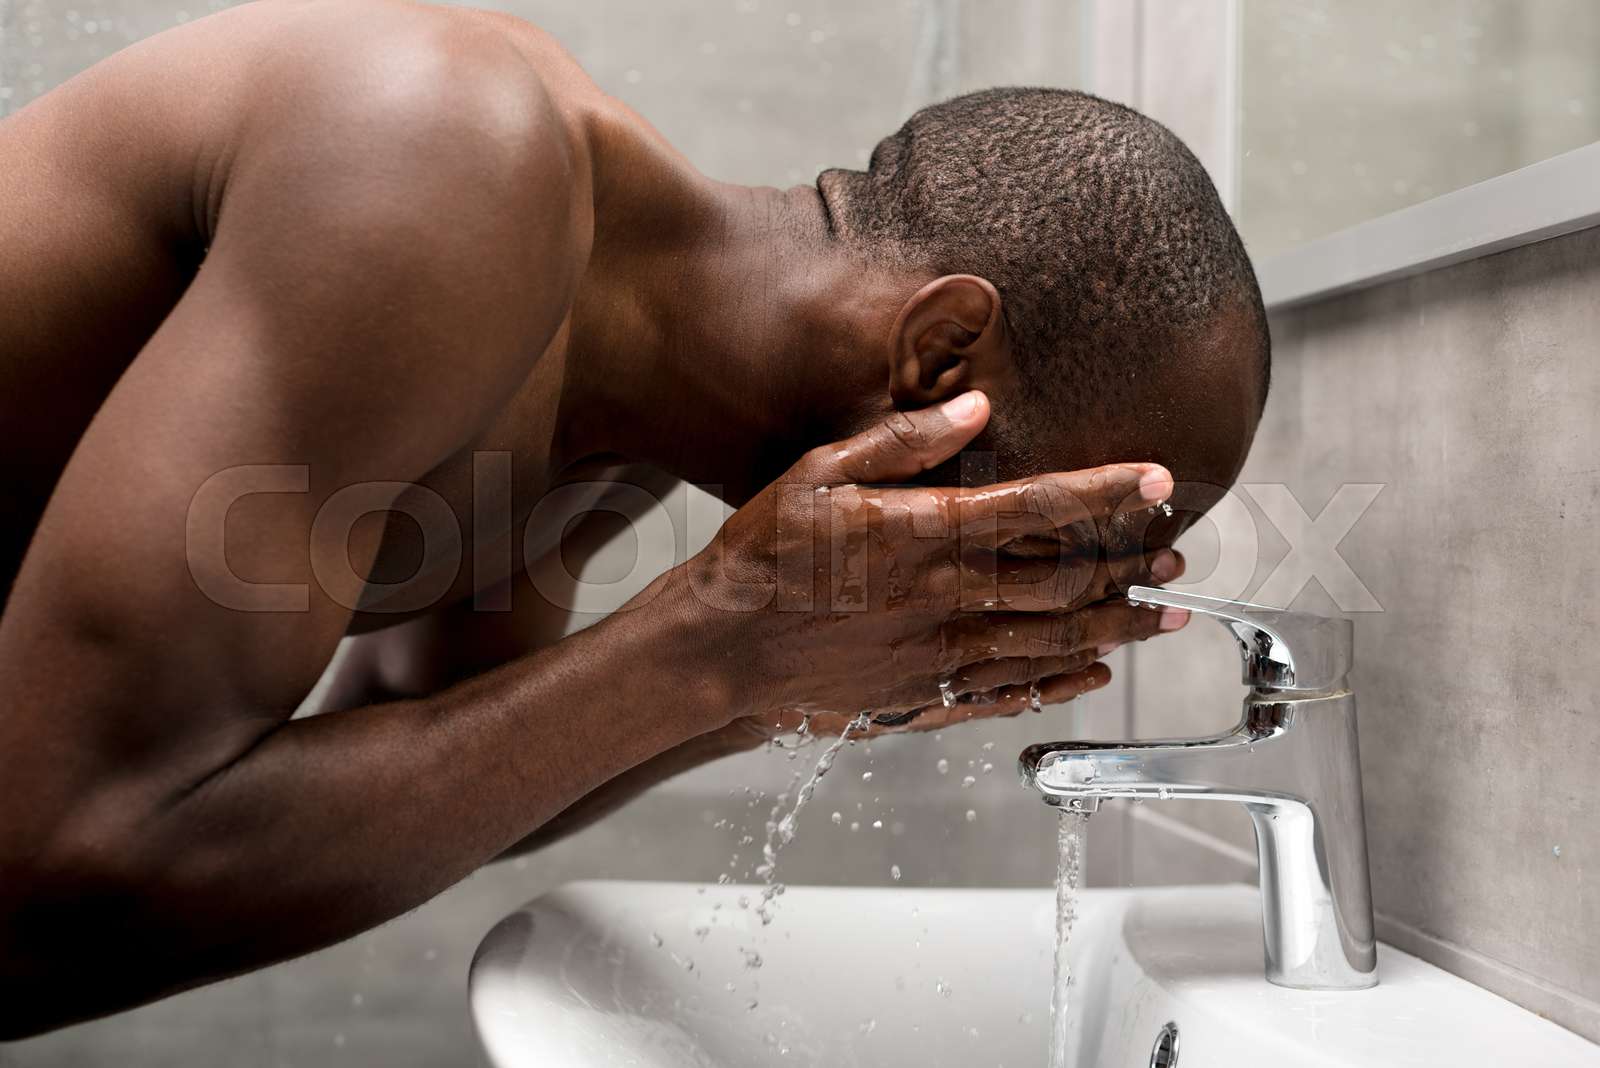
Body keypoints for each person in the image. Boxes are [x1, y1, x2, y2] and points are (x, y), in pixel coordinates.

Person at [0, 0, 1268, 1036]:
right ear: (942, 352)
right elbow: (60, 865)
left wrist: (761, 694)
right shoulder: (442, 147)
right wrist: (705, 647)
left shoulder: (628, 436)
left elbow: (413, 766)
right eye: (1051, 527)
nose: (1004, 580)